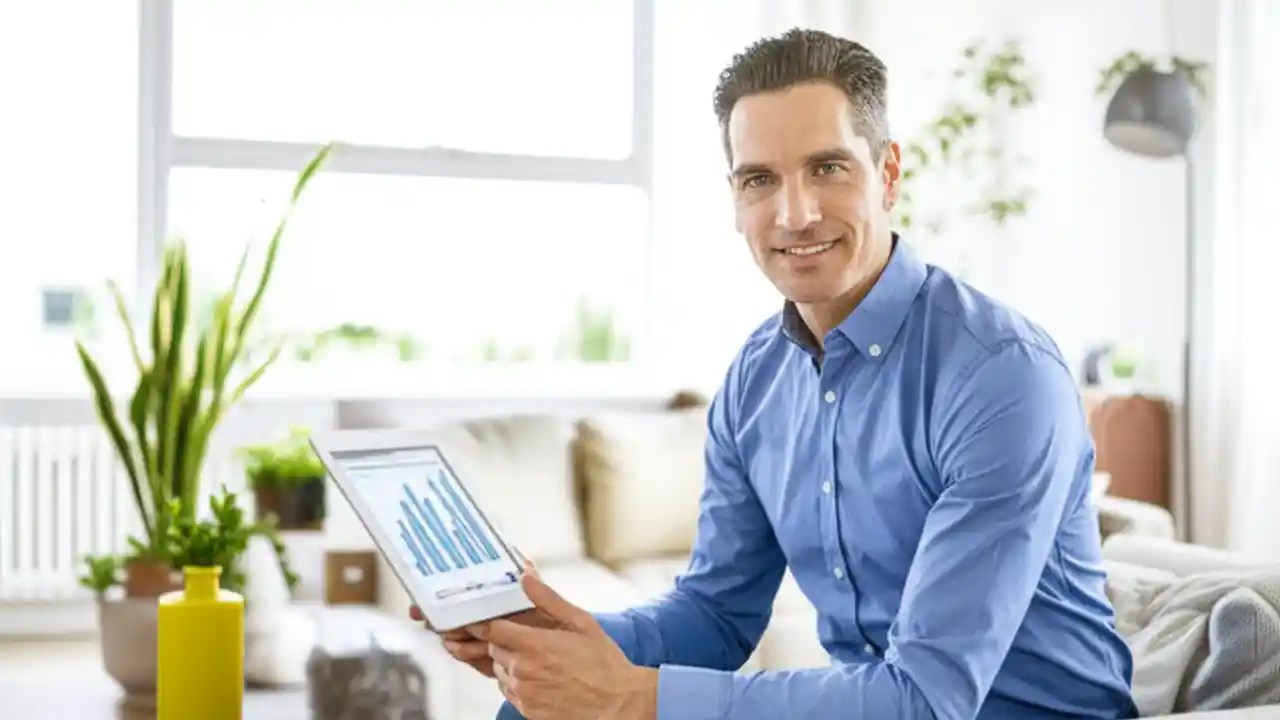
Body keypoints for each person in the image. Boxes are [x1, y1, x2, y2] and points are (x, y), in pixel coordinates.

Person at [412, 28, 1138, 719]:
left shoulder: (1001, 377)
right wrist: (560, 639)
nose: (795, 213)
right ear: (735, 198)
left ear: (887, 174)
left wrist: (636, 701)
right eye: (760, 179)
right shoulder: (757, 380)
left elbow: (924, 702)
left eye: (828, 168)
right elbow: (715, 617)